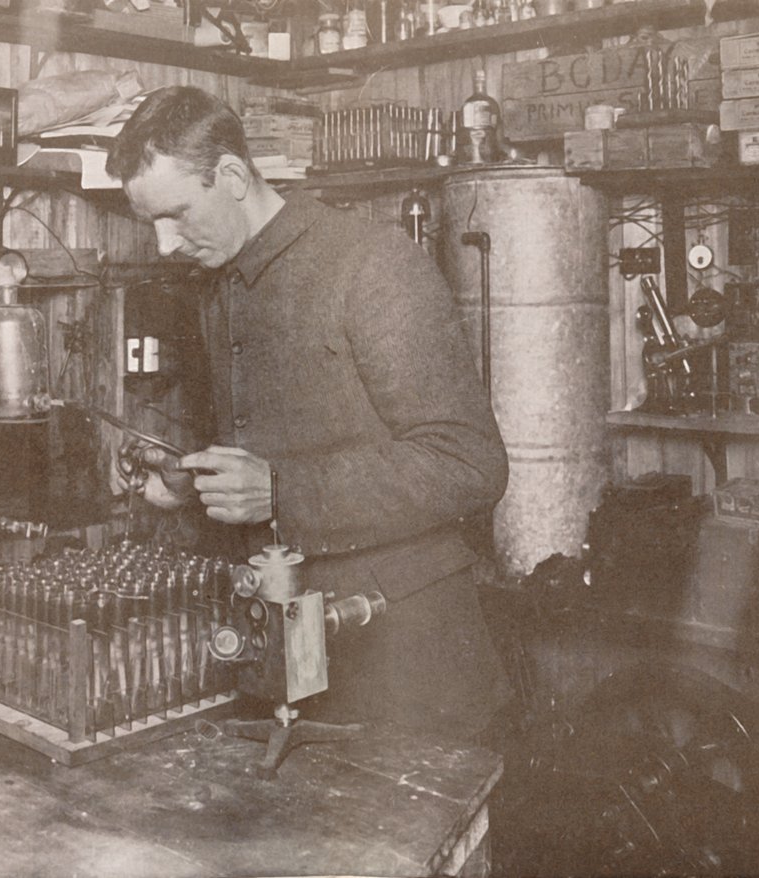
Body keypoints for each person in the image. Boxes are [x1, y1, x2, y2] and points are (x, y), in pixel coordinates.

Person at [106, 86, 511, 733]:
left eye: (177, 214)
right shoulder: (222, 283)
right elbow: (267, 450)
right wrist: (185, 484)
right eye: (150, 221)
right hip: (296, 662)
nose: (163, 244)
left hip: (408, 674)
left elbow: (469, 464)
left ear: (233, 176)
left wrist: (278, 492)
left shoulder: (371, 263)